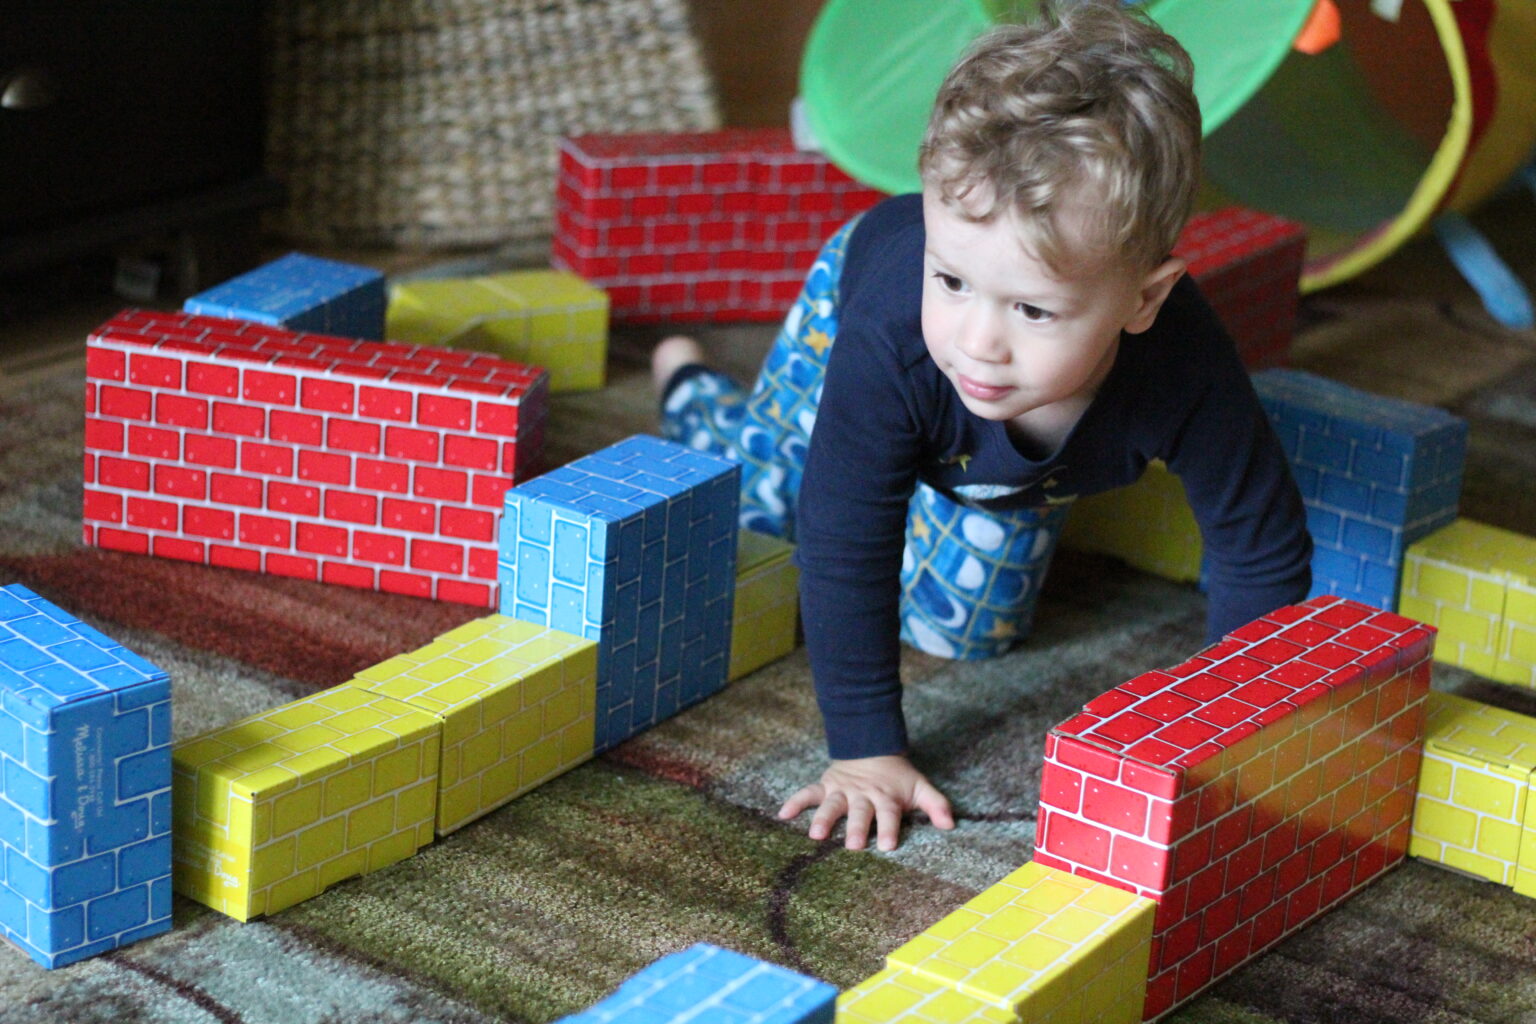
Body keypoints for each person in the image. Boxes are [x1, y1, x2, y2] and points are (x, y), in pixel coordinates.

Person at [651, 0, 1312, 853]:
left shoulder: (1184, 365)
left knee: (966, 633)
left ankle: (928, 462)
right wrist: (866, 751)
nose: (978, 343)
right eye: (954, 281)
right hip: (849, 318)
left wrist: (1233, 733)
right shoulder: (901, 337)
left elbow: (1258, 542)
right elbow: (847, 537)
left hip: (991, 460)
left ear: (1144, 300)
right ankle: (690, 384)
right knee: (771, 503)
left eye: (1035, 309)